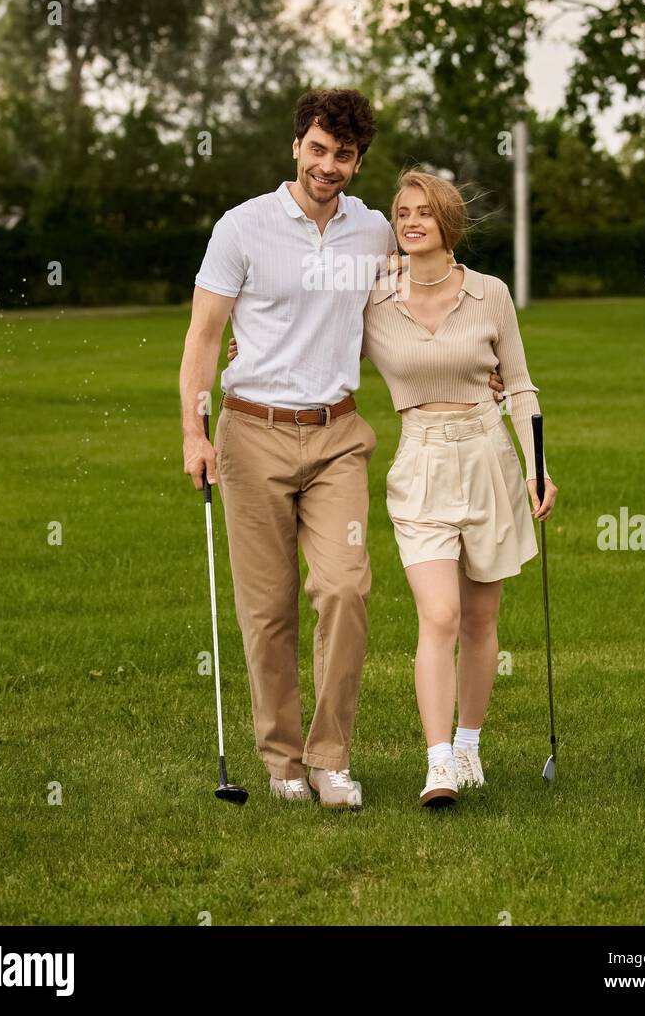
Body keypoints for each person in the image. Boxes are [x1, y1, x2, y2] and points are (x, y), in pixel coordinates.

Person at [180, 90, 507, 810]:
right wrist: (193, 433)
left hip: (337, 437)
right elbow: (205, 337)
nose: (329, 166)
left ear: (359, 162)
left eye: (345, 155)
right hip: (250, 432)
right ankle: (282, 759)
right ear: (297, 146)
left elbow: (422, 289)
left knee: (345, 588)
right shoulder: (242, 228)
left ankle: (330, 757)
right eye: (319, 149)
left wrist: (470, 356)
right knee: (268, 611)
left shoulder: (371, 234)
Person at [360, 170, 557, 806]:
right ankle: (437, 761)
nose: (410, 221)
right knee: (438, 613)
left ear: (450, 223)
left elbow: (520, 384)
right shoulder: (373, 296)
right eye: (402, 212)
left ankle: (469, 744)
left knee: (480, 616)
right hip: (419, 463)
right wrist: (246, 353)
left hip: (489, 458)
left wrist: (536, 465)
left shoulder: (491, 294)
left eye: (424, 212)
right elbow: (316, 347)